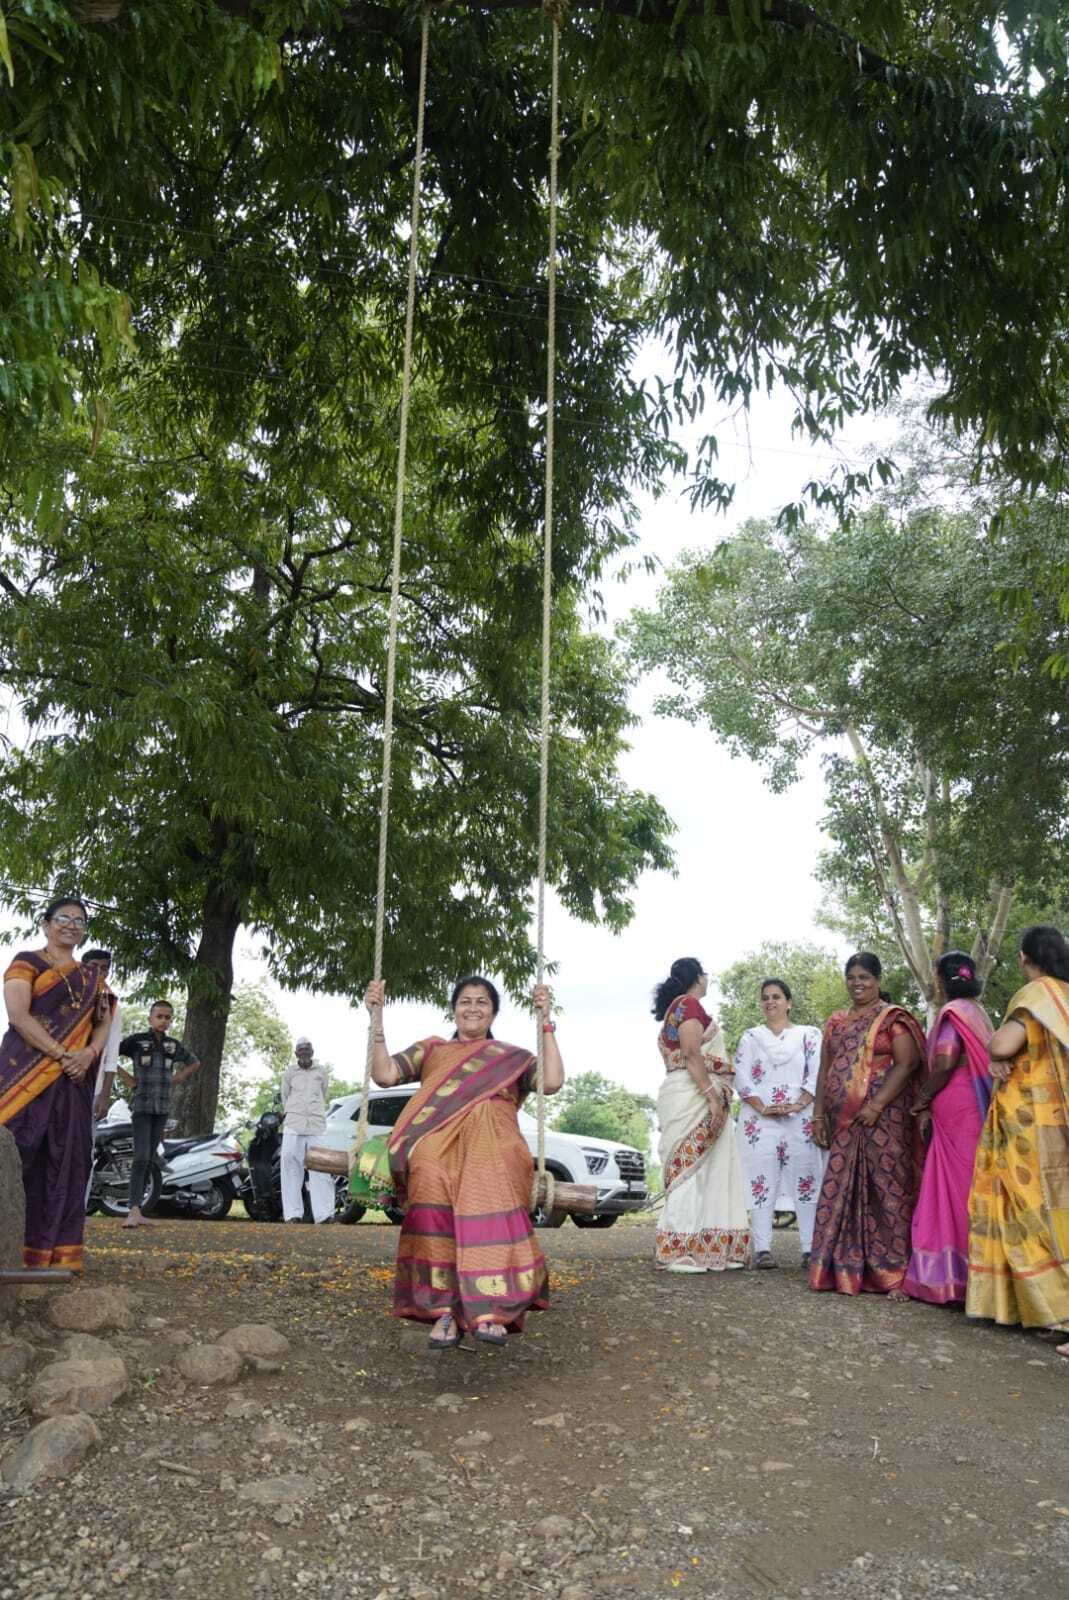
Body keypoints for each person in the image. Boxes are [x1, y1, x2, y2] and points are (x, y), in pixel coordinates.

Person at [362, 974, 561, 1350]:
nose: (472, 1007)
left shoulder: (511, 1058)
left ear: (493, 1012)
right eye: (465, 1001)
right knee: (429, 1176)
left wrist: (546, 1023)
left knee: (489, 1179)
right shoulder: (433, 1049)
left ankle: (492, 1310)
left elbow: (550, 1081)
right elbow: (386, 1074)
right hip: (438, 1143)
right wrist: (377, 1020)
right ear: (453, 1010)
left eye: (482, 1001)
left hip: (497, 1146)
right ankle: (444, 1314)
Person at [966, 925, 1069, 1354]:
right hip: (1060, 1119)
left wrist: (994, 1051)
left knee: (1029, 1209)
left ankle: (1058, 1309)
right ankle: (1046, 1311)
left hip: (1030, 1123)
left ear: (1026, 958)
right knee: (1059, 1207)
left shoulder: (1038, 995)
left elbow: (1005, 1042)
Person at [0, 896, 114, 1271]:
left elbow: (103, 1024)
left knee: (65, 1162)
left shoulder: (92, 977)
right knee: (17, 1154)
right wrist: (63, 1054)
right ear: (46, 924)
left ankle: (50, 1257)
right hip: (23, 1078)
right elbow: (17, 1015)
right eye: (63, 918)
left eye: (79, 921)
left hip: (72, 1083)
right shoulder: (26, 962)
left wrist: (89, 1054)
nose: (71, 925)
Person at [808, 953, 926, 1296]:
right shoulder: (836, 1022)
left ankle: (893, 1273)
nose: (857, 983)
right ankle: (843, 1270)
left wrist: (876, 1104)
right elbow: (825, 1070)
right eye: (852, 977)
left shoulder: (892, 1019)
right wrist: (818, 1115)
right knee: (843, 1190)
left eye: (865, 977)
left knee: (886, 1191)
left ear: (877, 980)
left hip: (883, 1121)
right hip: (844, 1122)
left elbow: (908, 1063)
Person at [901, 952, 993, 1305]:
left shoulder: (952, 1013)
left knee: (953, 1190)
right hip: (975, 1104)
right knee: (970, 1186)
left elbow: (944, 1061)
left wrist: (921, 1098)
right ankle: (979, 1279)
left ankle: (948, 1280)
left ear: (940, 979)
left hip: (957, 1106)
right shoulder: (979, 1013)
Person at [653, 957, 750, 1273]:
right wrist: (712, 1097)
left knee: (714, 1167)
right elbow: (693, 1054)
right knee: (688, 1167)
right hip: (692, 1093)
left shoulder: (680, 1007)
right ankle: (678, 1250)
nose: (709, 978)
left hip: (692, 1089)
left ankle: (712, 1247)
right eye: (706, 973)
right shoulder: (687, 1005)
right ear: (697, 977)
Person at [734, 978, 825, 1269]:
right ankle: (762, 1249)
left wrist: (798, 1104)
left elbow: (818, 1072)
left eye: (776, 996)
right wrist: (765, 1107)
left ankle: (810, 1249)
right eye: (765, 997)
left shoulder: (809, 1035)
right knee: (762, 1180)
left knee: (806, 1180)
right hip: (761, 1120)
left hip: (801, 1117)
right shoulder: (751, 1037)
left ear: (789, 1003)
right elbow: (742, 1076)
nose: (770, 1002)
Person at [117, 1001, 200, 1228]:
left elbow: (194, 1062)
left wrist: (178, 1078)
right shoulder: (135, 1042)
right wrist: (126, 1078)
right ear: (150, 1019)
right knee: (141, 1157)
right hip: (142, 1106)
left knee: (149, 1157)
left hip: (162, 1108)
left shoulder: (173, 1046)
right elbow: (109, 1054)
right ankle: (132, 1210)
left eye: (168, 1017)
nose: (164, 1021)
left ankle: (139, 1210)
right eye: (160, 1016)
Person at [280, 1036, 335, 1224]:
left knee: (321, 1168)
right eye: (301, 1049)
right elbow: (284, 1098)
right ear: (296, 1053)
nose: (304, 1052)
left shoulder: (321, 1072)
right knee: (290, 1168)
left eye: (307, 1049)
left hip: (316, 1126)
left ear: (312, 1052)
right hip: (293, 1124)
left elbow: (324, 1094)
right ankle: (293, 1215)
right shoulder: (289, 1073)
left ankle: (324, 1215)